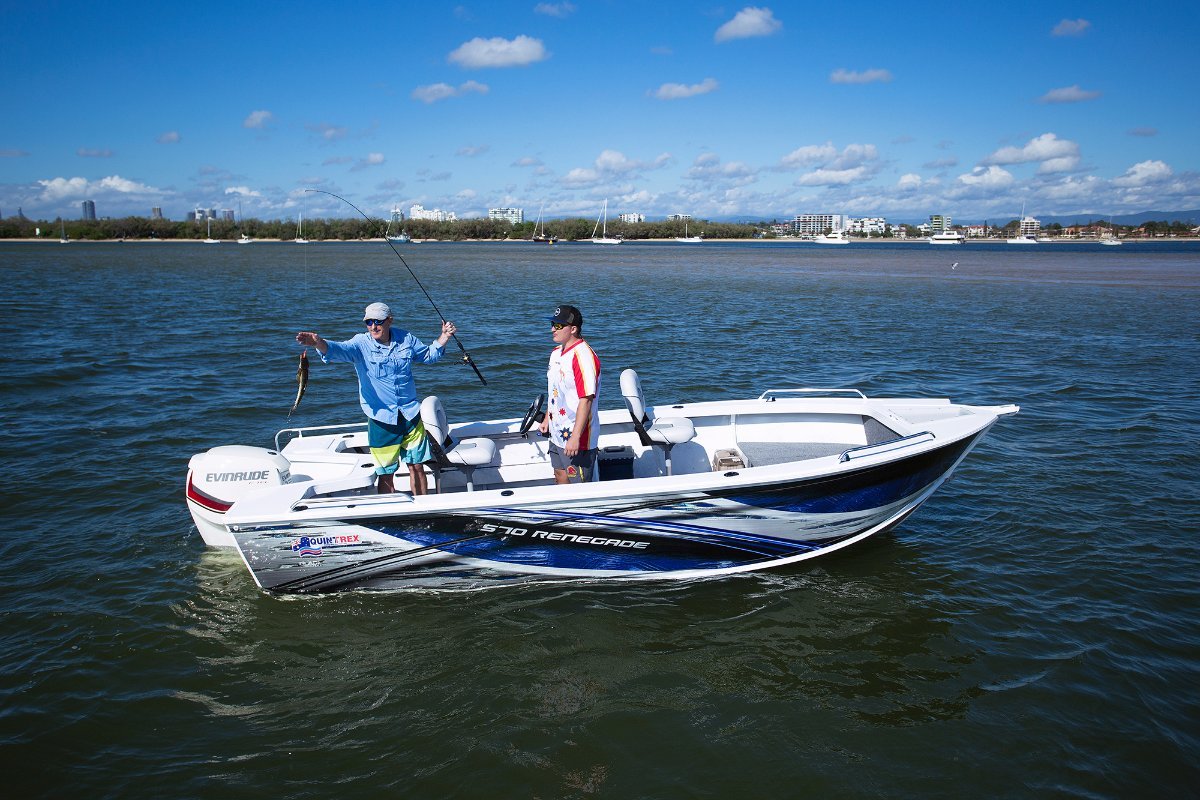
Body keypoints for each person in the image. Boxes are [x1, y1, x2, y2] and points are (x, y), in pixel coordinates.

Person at [295, 303, 455, 495]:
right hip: (382, 420)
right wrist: (318, 343)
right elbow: (337, 350)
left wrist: (444, 337)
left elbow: (428, 355)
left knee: (417, 466)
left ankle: (423, 505)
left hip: (411, 415)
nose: (373, 326)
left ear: (389, 320)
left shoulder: (406, 338)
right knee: (386, 473)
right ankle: (389, 510)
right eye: (368, 322)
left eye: (378, 321)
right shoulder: (360, 343)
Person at [539, 304, 601, 484]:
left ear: (573, 329)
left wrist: (575, 438)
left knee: (578, 486)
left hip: (577, 438)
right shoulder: (555, 354)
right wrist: (547, 418)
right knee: (560, 476)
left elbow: (586, 400)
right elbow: (555, 391)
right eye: (552, 324)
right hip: (556, 432)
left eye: (558, 325)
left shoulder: (583, 356)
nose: (552, 329)